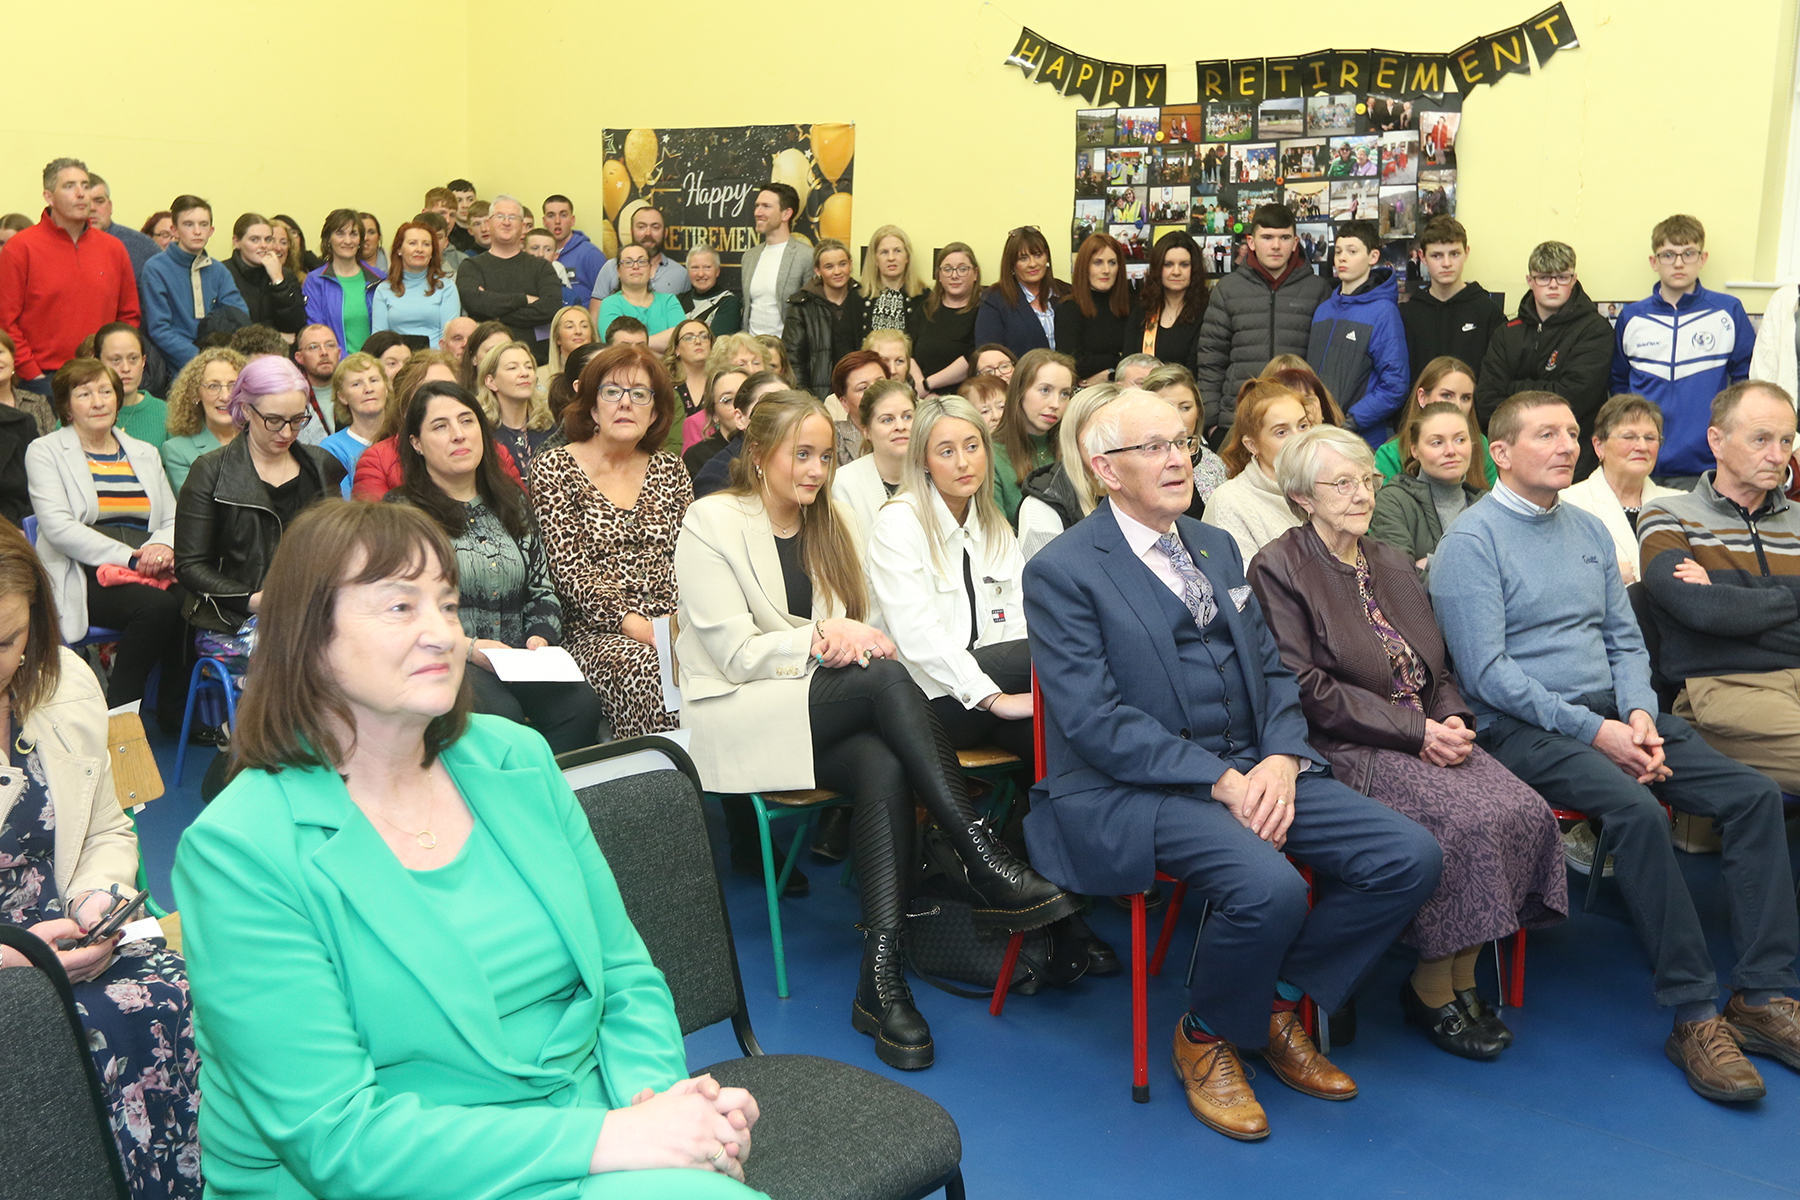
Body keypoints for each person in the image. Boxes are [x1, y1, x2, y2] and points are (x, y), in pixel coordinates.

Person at [173, 499, 764, 1200]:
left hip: (586, 1131)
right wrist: (618, 1140)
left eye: (448, 606)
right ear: (308, 637)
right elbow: (340, 1140)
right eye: (400, 608)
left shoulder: (514, 758)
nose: (443, 635)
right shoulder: (239, 850)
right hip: (394, 1175)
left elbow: (623, 974)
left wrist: (662, 1111)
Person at [1023, 389, 1440, 1141]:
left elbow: (1274, 671)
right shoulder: (1064, 571)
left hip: (1253, 764)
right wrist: (1218, 779)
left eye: (1182, 441)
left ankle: (1274, 1003)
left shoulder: (1213, 546)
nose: (1178, 457)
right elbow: (1093, 721)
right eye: (1152, 447)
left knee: (1407, 856)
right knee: (1268, 886)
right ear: (1104, 469)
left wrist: (1281, 757)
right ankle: (1208, 1033)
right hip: (1135, 787)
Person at [676, 392, 1077, 1067]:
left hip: (816, 713)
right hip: (739, 715)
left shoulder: (830, 525)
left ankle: (880, 978)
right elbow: (735, 654)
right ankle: (980, 853)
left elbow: (860, 639)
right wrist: (825, 636)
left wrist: (846, 642)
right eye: (800, 454)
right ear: (758, 454)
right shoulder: (710, 521)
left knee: (882, 761)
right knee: (888, 679)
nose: (815, 469)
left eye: (826, 457)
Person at [1430, 391, 1800, 1105]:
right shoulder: (1470, 544)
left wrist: (1638, 713)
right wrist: (1597, 732)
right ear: (1499, 454)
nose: (1567, 445)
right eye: (1547, 434)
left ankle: (1760, 995)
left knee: (1751, 797)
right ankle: (1693, 1014)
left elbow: (1624, 637)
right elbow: (1488, 675)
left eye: (1571, 432)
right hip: (1523, 729)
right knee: (1634, 810)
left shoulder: (1590, 532)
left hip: (1613, 715)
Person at [1248, 424, 1565, 1060]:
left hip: (1424, 730)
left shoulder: (1390, 560)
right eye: (1343, 484)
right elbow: (1305, 688)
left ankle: (1456, 976)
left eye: (1368, 479)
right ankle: (1432, 988)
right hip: (1345, 745)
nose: (1362, 494)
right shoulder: (1279, 567)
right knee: (1466, 820)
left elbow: (1437, 669)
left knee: (1522, 809)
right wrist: (1416, 731)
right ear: (1303, 497)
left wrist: (1449, 721)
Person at [0, 518, 201, 1200]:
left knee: (188, 994)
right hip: (13, 963)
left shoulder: (63, 686)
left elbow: (106, 827)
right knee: (73, 1040)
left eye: (5, 641)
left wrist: (97, 897)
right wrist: (16, 952)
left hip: (67, 939)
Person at [390, 382, 606, 754]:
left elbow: (542, 589)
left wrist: (539, 636)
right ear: (416, 443)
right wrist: (470, 647)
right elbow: (401, 609)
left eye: (466, 421)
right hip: (447, 656)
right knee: (499, 715)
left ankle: (546, 801)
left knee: (580, 705)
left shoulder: (510, 501)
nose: (458, 435)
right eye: (440, 426)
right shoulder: (404, 514)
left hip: (518, 658)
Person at [1638, 380, 1800, 793]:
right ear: (1717, 440)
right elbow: (1702, 611)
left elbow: (1717, 612)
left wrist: (1733, 601)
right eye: (1761, 439)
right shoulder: (1666, 514)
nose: (1778, 456)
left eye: (1786, 440)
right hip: (1725, 688)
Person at [531, 344, 689, 740]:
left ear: (654, 412)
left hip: (677, 624)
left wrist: (682, 626)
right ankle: (668, 791)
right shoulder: (554, 468)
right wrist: (635, 625)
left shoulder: (670, 468)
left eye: (639, 394)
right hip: (598, 633)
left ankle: (737, 792)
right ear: (591, 405)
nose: (625, 404)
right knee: (652, 671)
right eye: (611, 391)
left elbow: (693, 556)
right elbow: (569, 570)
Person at [867, 393, 1033, 760]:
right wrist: (994, 698)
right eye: (946, 452)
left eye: (972, 446)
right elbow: (917, 635)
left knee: (1054, 740)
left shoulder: (996, 528)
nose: (963, 462)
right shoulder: (898, 524)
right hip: (930, 699)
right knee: (1045, 653)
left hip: (992, 690)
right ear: (923, 461)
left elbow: (1020, 621)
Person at [26, 358, 184, 729]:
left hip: (147, 563)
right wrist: (131, 559)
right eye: (84, 393)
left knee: (191, 602)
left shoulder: (144, 452)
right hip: (80, 571)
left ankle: (176, 715)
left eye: (105, 391)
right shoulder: (45, 451)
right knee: (156, 607)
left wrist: (160, 549)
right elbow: (60, 528)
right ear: (66, 405)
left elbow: (172, 518)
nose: (98, 401)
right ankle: (118, 718)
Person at [174, 355, 344, 640]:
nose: (287, 432)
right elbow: (190, 566)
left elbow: (339, 547)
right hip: (233, 619)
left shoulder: (320, 465)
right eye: (274, 420)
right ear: (245, 410)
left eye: (298, 420)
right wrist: (252, 599)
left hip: (314, 612)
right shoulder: (211, 471)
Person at [1611, 215, 1753, 481]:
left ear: (1703, 258)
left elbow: (1746, 381)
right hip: (1640, 463)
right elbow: (1618, 383)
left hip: (1705, 466)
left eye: (1688, 253)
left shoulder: (1727, 311)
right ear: (1654, 262)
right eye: (1668, 254)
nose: (1678, 263)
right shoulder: (1632, 316)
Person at [1474, 241, 1614, 478]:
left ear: (1574, 279)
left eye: (1562, 277)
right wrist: (1546, 390)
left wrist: (1514, 388)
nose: (1553, 285)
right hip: (1514, 462)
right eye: (1544, 277)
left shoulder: (1595, 330)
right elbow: (1487, 401)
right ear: (1530, 280)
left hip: (1575, 464)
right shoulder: (1507, 332)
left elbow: (1576, 397)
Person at [0, 158, 140, 396]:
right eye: (69, 186)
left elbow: (129, 315)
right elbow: (6, 319)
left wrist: (116, 364)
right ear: (48, 196)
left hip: (102, 375)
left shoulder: (113, 249)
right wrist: (33, 373)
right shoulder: (20, 248)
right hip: (42, 380)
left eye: (85, 186)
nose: (81, 194)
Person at [1194, 203, 1331, 437]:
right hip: (1236, 420)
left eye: (1284, 237)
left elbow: (1326, 363)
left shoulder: (1317, 290)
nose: (1276, 246)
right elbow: (1211, 360)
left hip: (1300, 424)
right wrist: (1212, 421)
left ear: (1295, 243)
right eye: (1267, 237)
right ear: (1251, 242)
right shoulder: (1228, 290)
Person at [354, 349, 528, 501]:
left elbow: (522, 513)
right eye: (428, 391)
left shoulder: (494, 450)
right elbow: (374, 531)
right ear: (406, 407)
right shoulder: (378, 461)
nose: (442, 398)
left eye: (450, 389)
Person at [1561, 392, 1682, 583]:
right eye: (1629, 437)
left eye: (1650, 438)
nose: (1642, 446)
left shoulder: (1681, 503)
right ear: (1598, 446)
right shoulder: (1567, 503)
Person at [1307, 221, 1407, 449]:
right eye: (1339, 251)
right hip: (1317, 435)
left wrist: (1351, 420)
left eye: (1352, 252)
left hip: (1360, 439)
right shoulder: (1323, 310)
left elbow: (1395, 385)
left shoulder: (1383, 312)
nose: (1342, 258)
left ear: (1373, 257)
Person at [1202, 379, 1315, 563]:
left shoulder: (1326, 487)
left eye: (1303, 426)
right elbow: (1243, 585)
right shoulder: (1229, 502)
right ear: (1252, 445)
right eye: (1281, 432)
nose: (1299, 439)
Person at [1368, 401, 1488, 570]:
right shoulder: (1393, 501)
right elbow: (1399, 578)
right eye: (1437, 442)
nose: (1451, 450)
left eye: (1460, 440)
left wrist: (1432, 563)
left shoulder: (1486, 503)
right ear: (1415, 450)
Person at [1016, 383, 1121, 561]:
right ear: (1073, 438)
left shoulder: (1146, 492)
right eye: (1099, 432)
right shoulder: (1043, 507)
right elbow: (1049, 584)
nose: (1112, 443)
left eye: (1121, 433)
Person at [1400, 216, 1503, 387]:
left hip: (1470, 411)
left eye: (1454, 254)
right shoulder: (1408, 314)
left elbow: (1494, 378)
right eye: (1437, 256)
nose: (1446, 263)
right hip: (1420, 412)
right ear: (1423, 257)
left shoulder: (1488, 311)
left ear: (1466, 253)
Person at [458, 196, 562, 365]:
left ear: (522, 226)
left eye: (513, 218)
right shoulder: (471, 266)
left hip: (536, 362)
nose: (506, 222)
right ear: (489, 223)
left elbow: (550, 307)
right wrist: (524, 299)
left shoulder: (541, 267)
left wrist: (496, 317)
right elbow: (473, 302)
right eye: (500, 216)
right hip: (487, 363)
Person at [1372, 356, 1495, 484]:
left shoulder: (1481, 445)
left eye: (1465, 398)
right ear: (1422, 397)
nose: (1458, 406)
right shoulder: (1390, 454)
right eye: (1447, 395)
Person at [991, 348, 1073, 524]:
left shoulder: (1071, 450)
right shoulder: (991, 455)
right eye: (1045, 390)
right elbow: (997, 537)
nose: (1055, 404)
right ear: (1020, 391)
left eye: (1064, 393)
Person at [830, 378, 914, 546]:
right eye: (887, 420)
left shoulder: (934, 474)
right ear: (867, 431)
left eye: (907, 416)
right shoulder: (844, 483)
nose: (900, 426)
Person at [784, 239, 865, 396]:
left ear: (850, 264)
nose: (837, 271)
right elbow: (793, 359)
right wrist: (806, 399)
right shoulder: (802, 306)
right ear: (817, 270)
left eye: (842, 264)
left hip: (860, 394)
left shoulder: (865, 299)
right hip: (816, 396)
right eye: (829, 266)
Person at [692, 370, 788, 499]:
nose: (782, 416)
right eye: (768, 408)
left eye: (788, 407)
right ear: (740, 418)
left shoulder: (806, 462)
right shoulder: (717, 475)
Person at [161, 346, 246, 492]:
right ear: (196, 394)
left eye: (233, 385)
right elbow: (199, 508)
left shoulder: (260, 439)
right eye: (213, 386)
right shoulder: (177, 451)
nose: (225, 397)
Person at [974, 226, 1066, 359]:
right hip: (1018, 378)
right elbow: (988, 356)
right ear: (1011, 263)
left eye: (1038, 255)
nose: (1032, 264)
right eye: (1023, 258)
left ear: (1047, 257)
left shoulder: (1065, 292)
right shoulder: (994, 299)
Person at [302, 208, 385, 356]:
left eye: (353, 234)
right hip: (336, 367)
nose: (348, 241)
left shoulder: (379, 279)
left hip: (376, 367)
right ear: (328, 239)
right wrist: (347, 365)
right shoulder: (316, 281)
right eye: (340, 234)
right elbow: (317, 330)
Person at [1142, 363, 1228, 501]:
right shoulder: (1137, 461)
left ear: (1198, 410)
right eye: (1167, 407)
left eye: (1185, 408)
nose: (1177, 416)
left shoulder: (1213, 464)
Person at [1056, 233, 1132, 385]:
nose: (1106, 270)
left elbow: (1136, 359)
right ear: (1085, 267)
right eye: (1097, 263)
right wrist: (1116, 357)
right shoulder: (1069, 309)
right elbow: (1073, 365)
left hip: (1127, 392)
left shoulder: (1131, 307)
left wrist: (1109, 374)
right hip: (1086, 397)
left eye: (1112, 263)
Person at [371, 220, 461, 349]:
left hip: (436, 362)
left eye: (426, 244)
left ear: (432, 252)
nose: (419, 249)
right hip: (397, 362)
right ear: (399, 250)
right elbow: (379, 339)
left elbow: (448, 337)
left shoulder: (446, 287)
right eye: (412, 243)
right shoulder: (384, 289)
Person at [1127, 230, 1208, 372]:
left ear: (1194, 268)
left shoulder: (1206, 313)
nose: (1176, 272)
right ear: (1158, 268)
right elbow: (1127, 364)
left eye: (1184, 265)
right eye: (1168, 264)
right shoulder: (1142, 310)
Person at [475, 339, 554, 480]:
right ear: (491, 381)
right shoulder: (480, 433)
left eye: (529, 367)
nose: (524, 373)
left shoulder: (551, 428)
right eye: (512, 368)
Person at [738, 184, 810, 337]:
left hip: (785, 353)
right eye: (757, 206)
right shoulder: (749, 257)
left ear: (786, 214)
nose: (758, 212)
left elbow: (810, 314)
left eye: (766, 206)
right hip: (752, 351)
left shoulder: (806, 256)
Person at [222, 213, 308, 335]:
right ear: (237, 242)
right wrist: (275, 336)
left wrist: (279, 281)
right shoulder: (222, 273)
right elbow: (223, 325)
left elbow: (295, 324)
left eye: (268, 240)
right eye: (254, 239)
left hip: (279, 352)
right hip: (236, 351)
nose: (263, 246)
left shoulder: (285, 274)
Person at [82, 172, 163, 299]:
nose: (92, 208)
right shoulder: (61, 246)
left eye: (99, 201)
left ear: (110, 206)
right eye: (85, 201)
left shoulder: (143, 248)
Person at [320, 353, 391, 494]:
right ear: (342, 397)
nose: (368, 389)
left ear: (387, 388)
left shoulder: (405, 436)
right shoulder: (332, 448)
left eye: (374, 380)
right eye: (356, 384)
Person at [915, 242, 981, 394]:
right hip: (922, 396)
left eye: (963, 269)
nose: (954, 275)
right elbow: (908, 351)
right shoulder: (926, 308)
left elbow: (974, 359)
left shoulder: (983, 311)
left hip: (962, 399)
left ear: (975, 274)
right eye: (947, 269)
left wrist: (928, 384)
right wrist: (920, 387)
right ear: (939, 275)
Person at [88, 322, 166, 448]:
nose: (126, 368)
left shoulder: (165, 413)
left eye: (133, 359)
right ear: (97, 363)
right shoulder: (78, 413)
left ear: (143, 362)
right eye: (115, 360)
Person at [595, 246, 685, 355]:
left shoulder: (669, 301)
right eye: (628, 262)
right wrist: (662, 349)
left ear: (650, 268)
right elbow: (615, 346)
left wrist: (632, 345)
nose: (636, 266)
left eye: (641, 261)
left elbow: (681, 338)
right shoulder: (610, 304)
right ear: (618, 271)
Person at [592, 206, 689, 301]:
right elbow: (596, 315)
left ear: (665, 233)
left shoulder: (681, 274)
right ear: (631, 232)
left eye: (655, 227)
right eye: (641, 227)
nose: (648, 233)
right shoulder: (611, 268)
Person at [859, 224, 925, 344]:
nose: (891, 258)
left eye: (897, 251)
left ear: (907, 257)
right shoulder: (858, 296)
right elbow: (844, 342)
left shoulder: (924, 298)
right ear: (875, 259)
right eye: (884, 252)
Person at [540, 194, 606, 311]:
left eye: (563, 215)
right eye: (551, 216)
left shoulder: (590, 254)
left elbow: (606, 297)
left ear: (572, 220)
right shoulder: (537, 254)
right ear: (544, 221)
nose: (557, 221)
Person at [683, 365, 748, 480]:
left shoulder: (774, 445)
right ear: (714, 414)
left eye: (746, 396)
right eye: (728, 400)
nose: (740, 406)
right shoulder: (698, 456)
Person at [672, 245, 739, 334]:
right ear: (688, 271)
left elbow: (716, 342)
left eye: (707, 267)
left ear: (717, 271)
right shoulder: (678, 301)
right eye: (695, 267)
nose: (700, 274)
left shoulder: (728, 302)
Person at [665, 317, 714, 436]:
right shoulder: (666, 383)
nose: (698, 342)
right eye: (688, 338)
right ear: (677, 349)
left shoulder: (720, 381)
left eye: (703, 336)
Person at [545, 304, 597, 390]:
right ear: (557, 337)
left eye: (584, 326)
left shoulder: (606, 372)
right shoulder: (541, 376)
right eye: (570, 326)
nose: (578, 331)